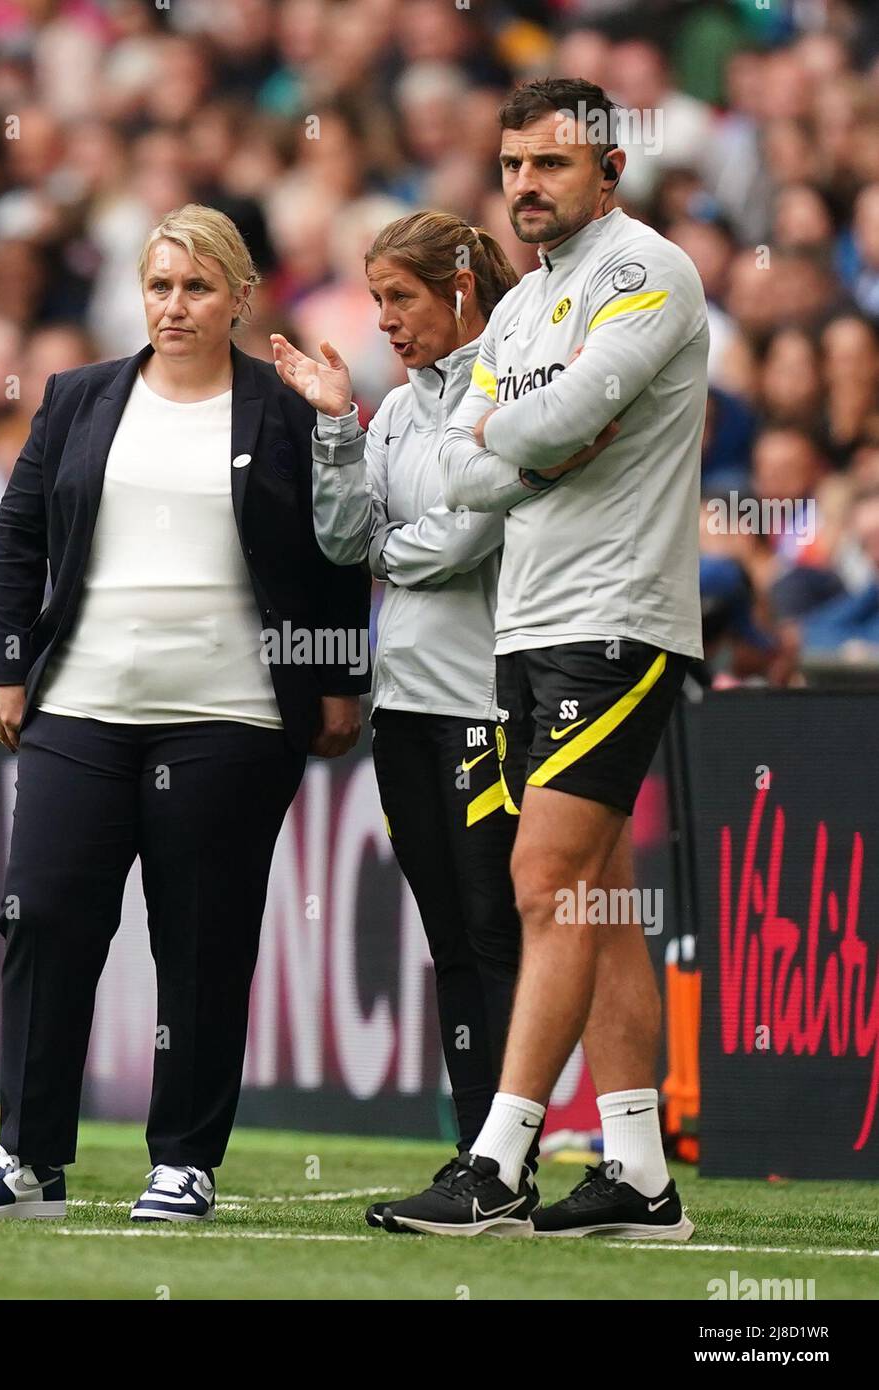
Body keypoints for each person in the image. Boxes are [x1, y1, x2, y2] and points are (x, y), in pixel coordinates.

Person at [0, 204, 370, 1223]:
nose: (176, 306)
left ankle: (184, 1161)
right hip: (80, 706)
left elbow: (335, 558)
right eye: (162, 286)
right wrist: (5, 668)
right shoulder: (80, 397)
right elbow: (17, 536)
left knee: (204, 938)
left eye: (198, 287)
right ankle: (27, 1160)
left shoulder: (285, 410)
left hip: (231, 717)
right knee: (40, 913)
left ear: (240, 298)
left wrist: (340, 680)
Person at [374, 77, 708, 1239]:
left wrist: (514, 442)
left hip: (615, 616)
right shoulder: (517, 315)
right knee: (601, 897)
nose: (527, 185)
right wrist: (523, 446)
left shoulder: (649, 271)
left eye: (553, 165)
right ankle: (637, 1173)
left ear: (609, 172)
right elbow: (492, 456)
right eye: (514, 164)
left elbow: (548, 429)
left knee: (543, 883)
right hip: (524, 621)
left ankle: (501, 1158)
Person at [270, 210, 616, 1222]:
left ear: (461, 290)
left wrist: (390, 545)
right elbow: (344, 538)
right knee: (451, 938)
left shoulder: (517, 387)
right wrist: (336, 421)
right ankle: (481, 1154)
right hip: (407, 703)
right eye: (377, 301)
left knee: (493, 927)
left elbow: (466, 537)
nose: (384, 321)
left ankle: (509, 1158)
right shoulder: (393, 411)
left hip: (488, 703)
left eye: (401, 299)